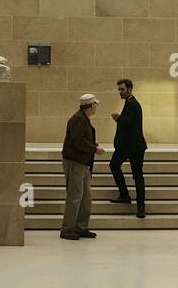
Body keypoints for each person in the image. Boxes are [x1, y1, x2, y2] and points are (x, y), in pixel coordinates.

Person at [60, 94, 104, 240]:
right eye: (95, 105)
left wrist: (92, 144)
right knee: (75, 196)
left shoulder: (82, 119)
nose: (96, 107)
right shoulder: (78, 119)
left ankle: (81, 227)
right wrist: (94, 149)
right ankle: (67, 229)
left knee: (86, 197)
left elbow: (80, 139)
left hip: (82, 163)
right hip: (75, 163)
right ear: (91, 106)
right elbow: (78, 141)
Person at [109, 78, 148, 218]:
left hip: (131, 147)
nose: (120, 92)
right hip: (134, 146)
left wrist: (117, 118)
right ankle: (137, 205)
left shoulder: (132, 104)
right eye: (119, 89)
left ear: (130, 89)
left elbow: (127, 122)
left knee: (118, 167)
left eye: (122, 89)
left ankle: (132, 200)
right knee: (136, 175)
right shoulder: (131, 103)